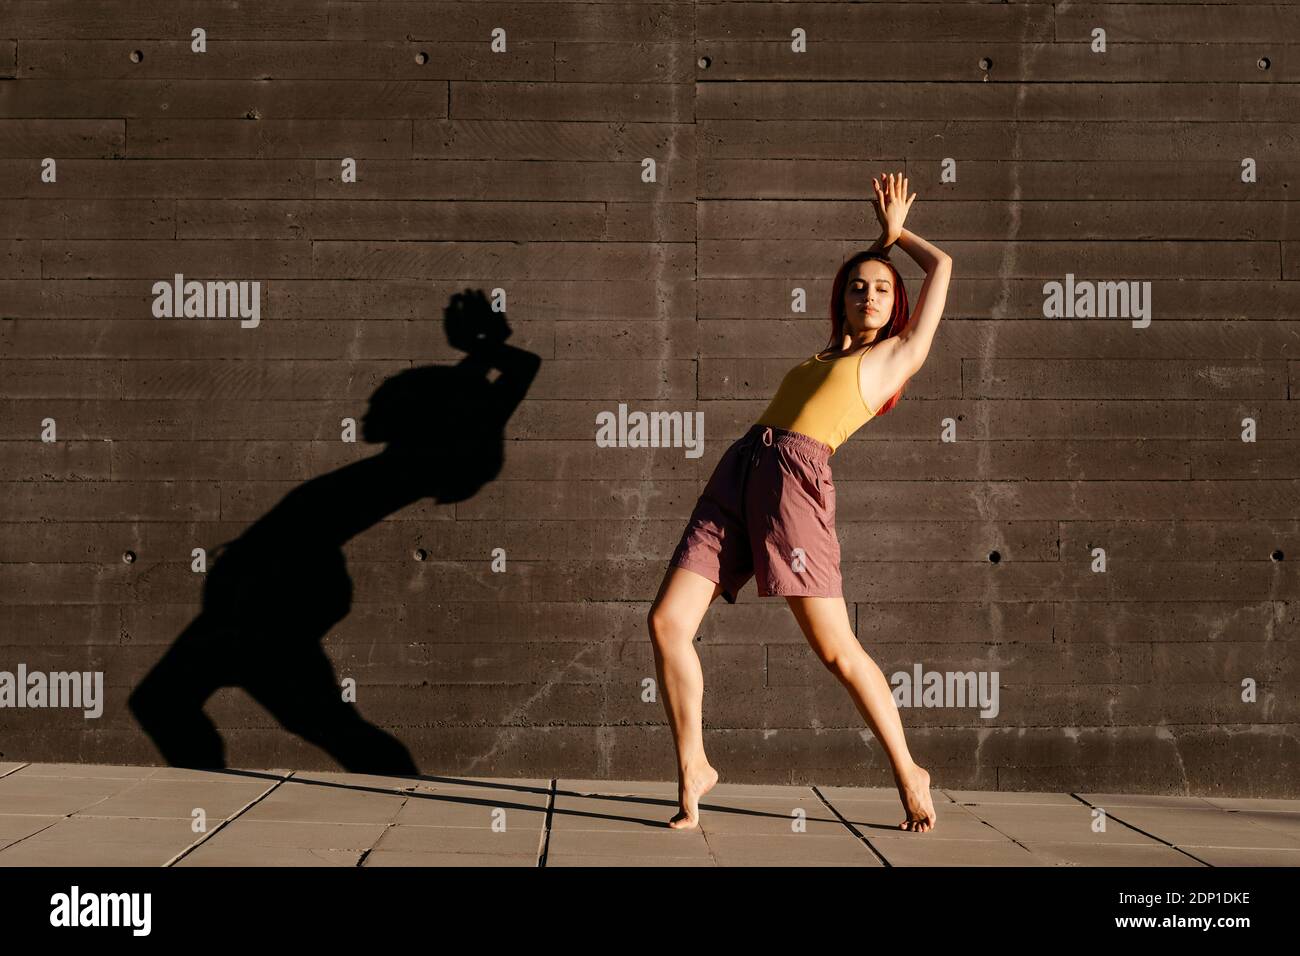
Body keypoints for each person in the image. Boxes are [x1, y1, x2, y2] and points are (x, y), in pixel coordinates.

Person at [647, 172, 953, 832]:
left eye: (882, 288)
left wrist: (897, 237)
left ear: (896, 303)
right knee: (667, 623)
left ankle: (908, 768)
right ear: (839, 299)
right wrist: (877, 247)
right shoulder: (824, 353)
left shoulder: (897, 357)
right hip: (741, 470)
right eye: (856, 286)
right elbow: (864, 277)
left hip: (795, 486)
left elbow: (943, 266)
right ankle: (694, 764)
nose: (869, 294)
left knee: (838, 650)